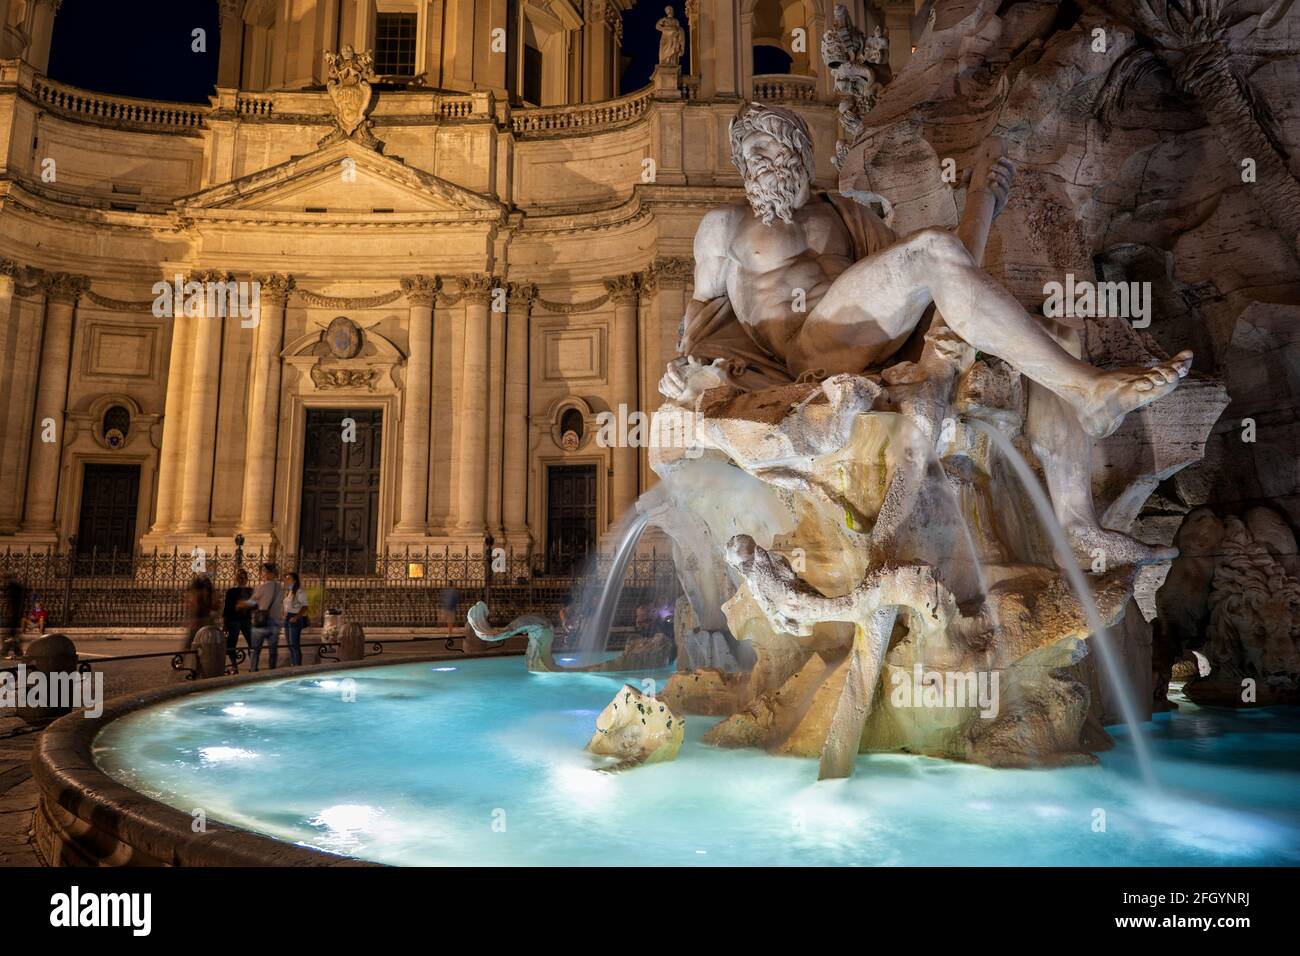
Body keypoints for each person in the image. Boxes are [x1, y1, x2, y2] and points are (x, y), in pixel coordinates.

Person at [241, 563, 283, 671]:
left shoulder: (262, 587)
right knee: (273, 650)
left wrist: (241, 604)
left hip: (261, 621)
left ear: (270, 573)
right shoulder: (280, 587)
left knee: (255, 649)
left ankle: (254, 670)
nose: (263, 574)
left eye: (264, 572)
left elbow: (252, 602)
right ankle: (272, 670)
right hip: (275, 621)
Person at [222, 569, 253, 668]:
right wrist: (225, 623)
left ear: (247, 579)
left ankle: (253, 665)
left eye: (243, 577)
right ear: (236, 579)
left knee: (252, 642)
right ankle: (234, 666)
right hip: (233, 620)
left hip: (246, 620)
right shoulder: (231, 591)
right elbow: (227, 608)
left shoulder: (250, 591)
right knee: (231, 644)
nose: (241, 579)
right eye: (239, 577)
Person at [180, 576, 215, 651]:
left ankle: (183, 657)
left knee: (193, 641)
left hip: (202, 620)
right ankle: (182, 658)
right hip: (200, 621)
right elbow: (195, 607)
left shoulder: (203, 595)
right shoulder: (197, 594)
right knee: (192, 641)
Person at [282, 571, 309, 667]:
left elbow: (305, 606)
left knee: (294, 645)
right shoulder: (289, 591)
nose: (286, 580)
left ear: (295, 580)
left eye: (289, 578)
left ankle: (297, 666)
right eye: (286, 578)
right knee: (290, 645)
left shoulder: (300, 592)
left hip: (295, 618)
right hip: (287, 618)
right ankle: (293, 664)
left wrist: (296, 617)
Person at [2, 577, 25, 660]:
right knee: (12, 638)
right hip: (13, 623)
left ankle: (15, 652)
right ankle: (16, 652)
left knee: (12, 638)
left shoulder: (14, 597)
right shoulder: (16, 597)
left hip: (13, 622)